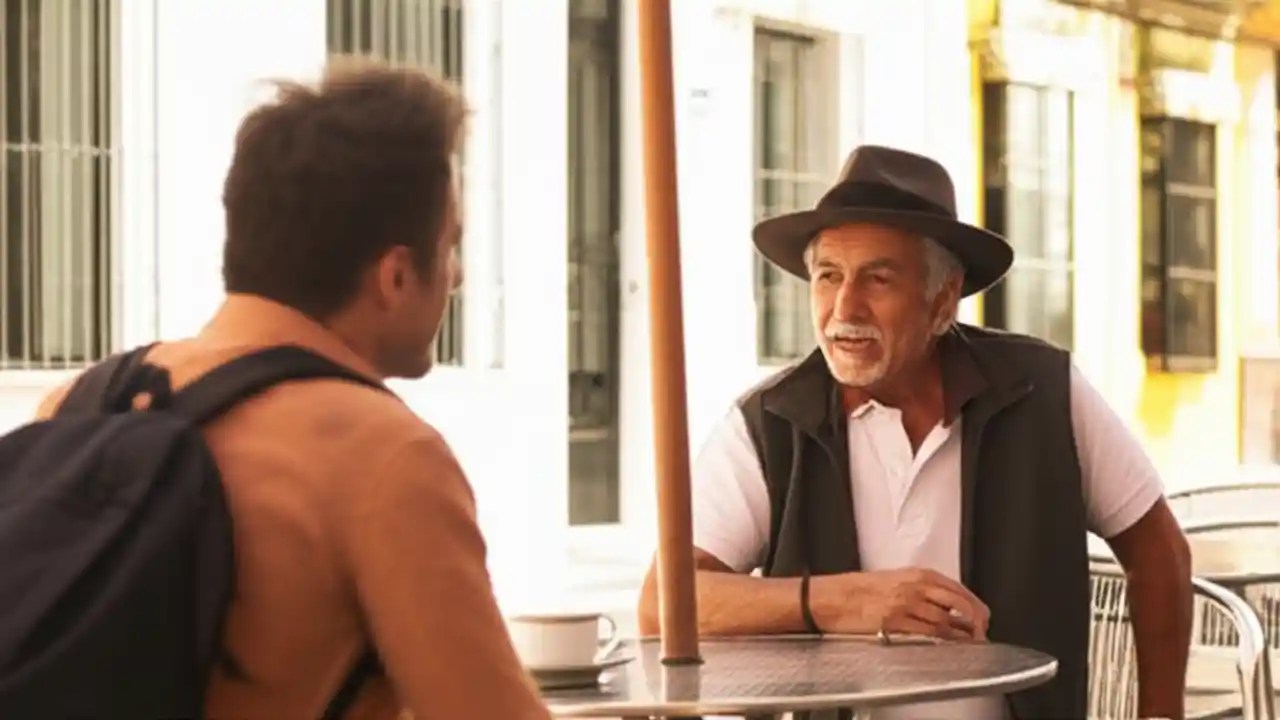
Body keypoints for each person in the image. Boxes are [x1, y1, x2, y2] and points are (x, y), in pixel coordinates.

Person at [36, 58, 552, 719]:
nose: (455, 277)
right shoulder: (386, 455)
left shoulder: (82, 404)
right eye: (451, 246)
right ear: (394, 276)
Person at [638, 145, 1192, 719]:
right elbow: (663, 605)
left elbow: (1158, 552)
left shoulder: (1042, 392)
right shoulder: (771, 425)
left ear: (943, 298)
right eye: (828, 277)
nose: (844, 308)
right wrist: (840, 601)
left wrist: (1159, 715)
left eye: (878, 279)